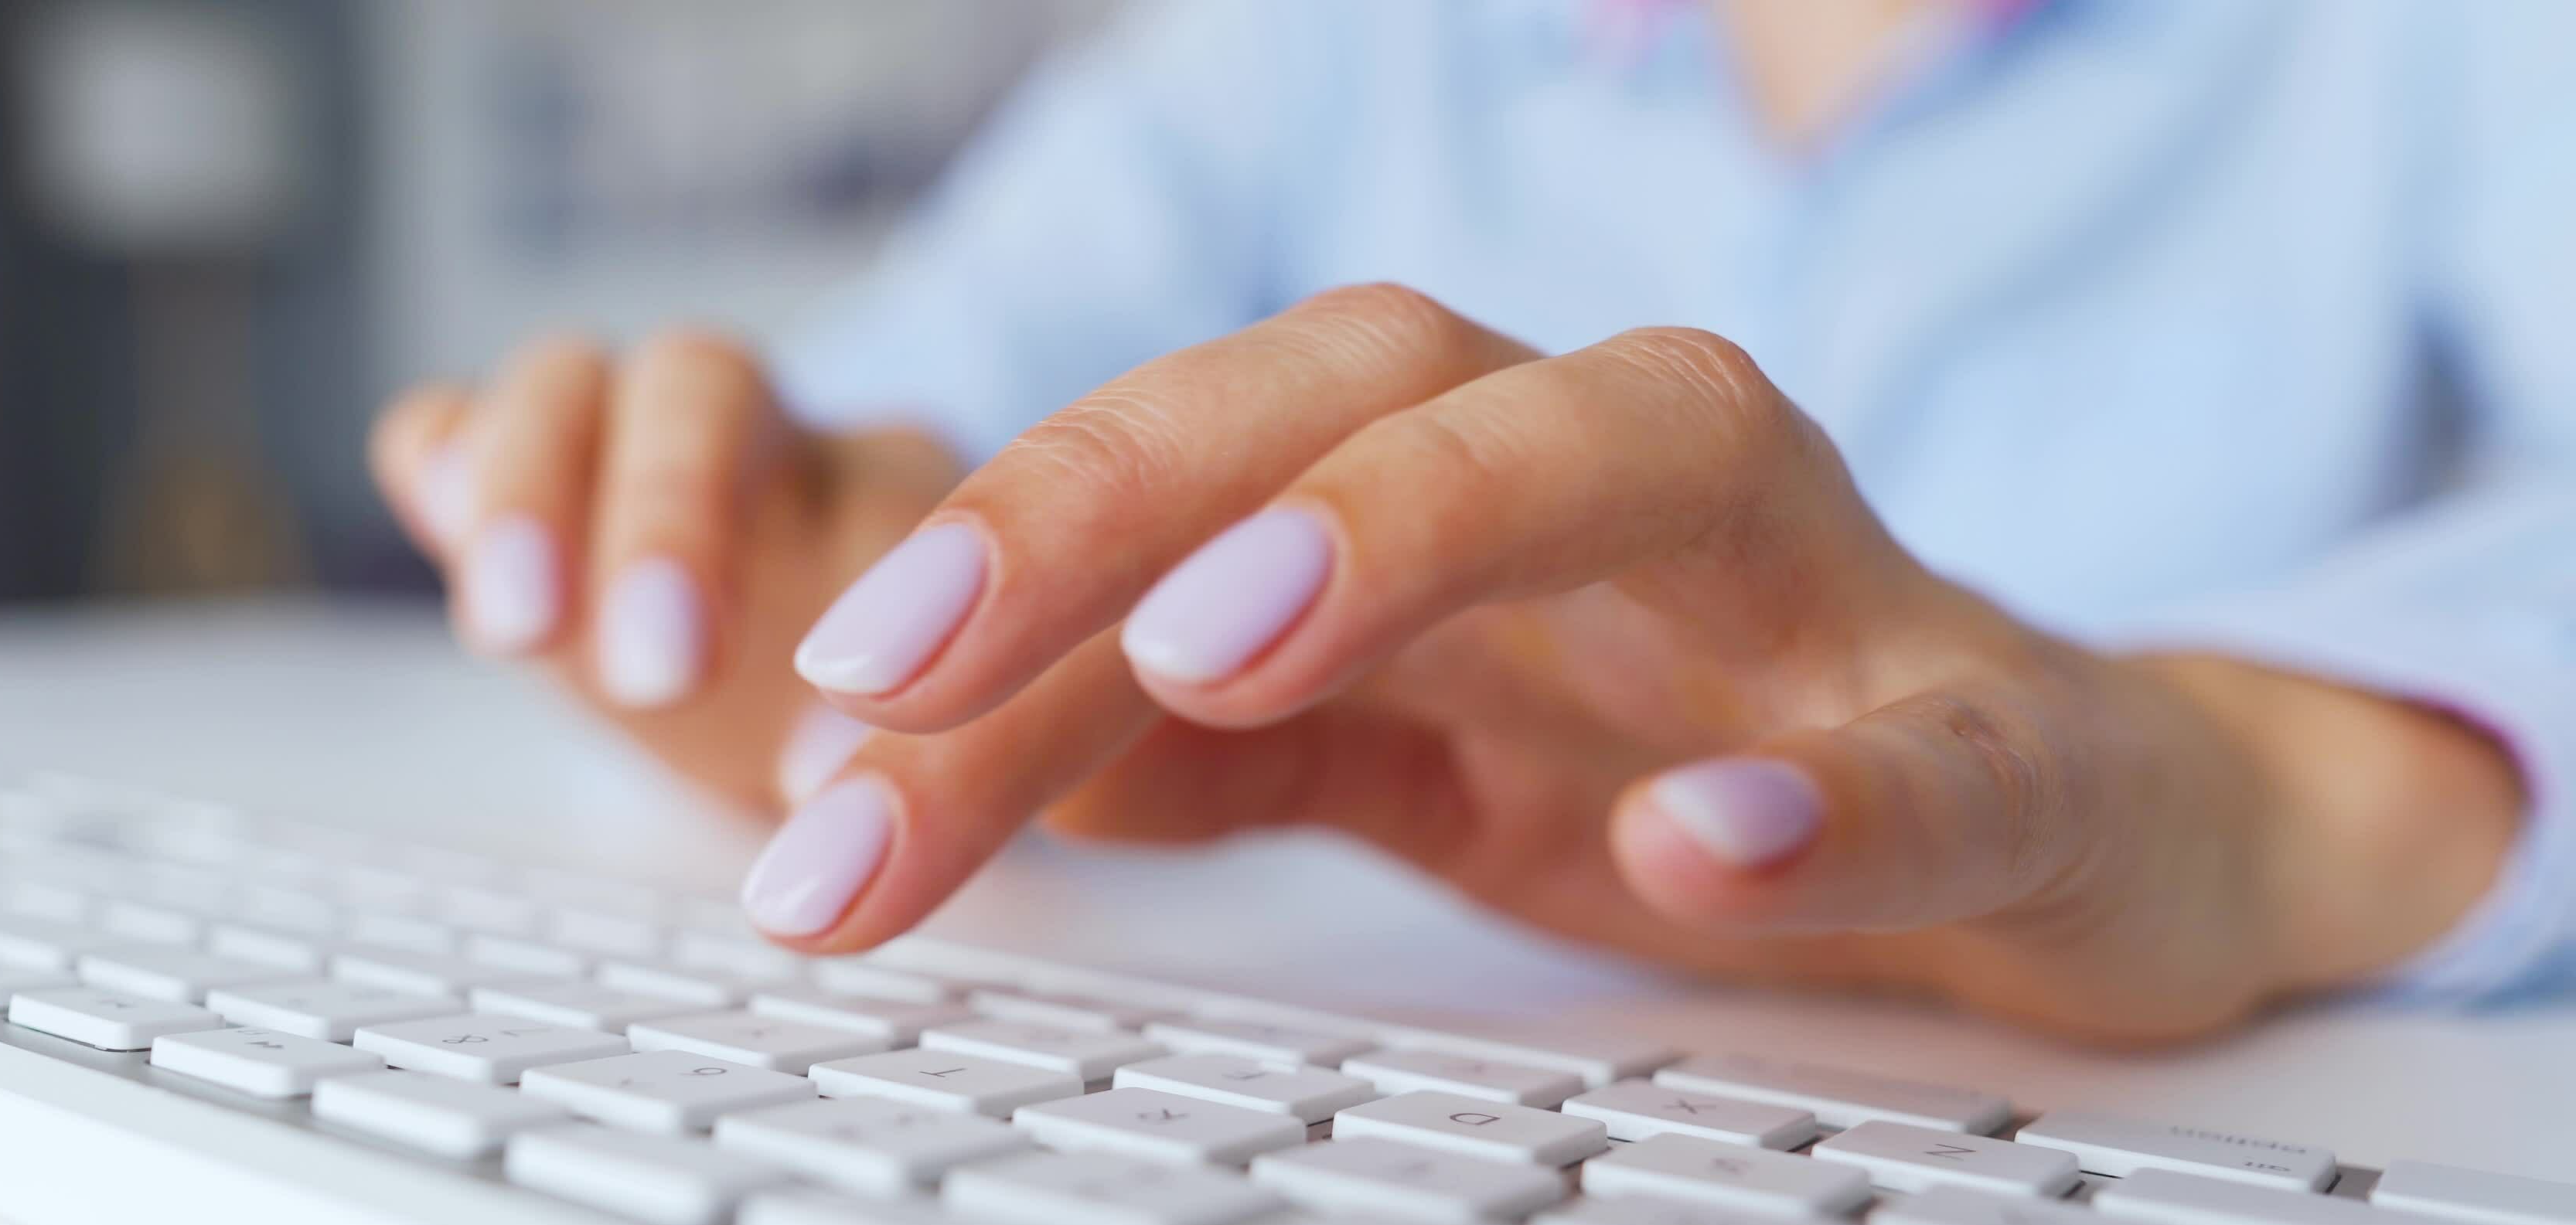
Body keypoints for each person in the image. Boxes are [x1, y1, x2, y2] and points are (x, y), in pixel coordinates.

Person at [367, 0, 2575, 1043]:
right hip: (1395, 1075)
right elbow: (894, 436)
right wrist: (740, 575)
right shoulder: (1325, 43)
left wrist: (2282, 786)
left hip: (2161, 1133)